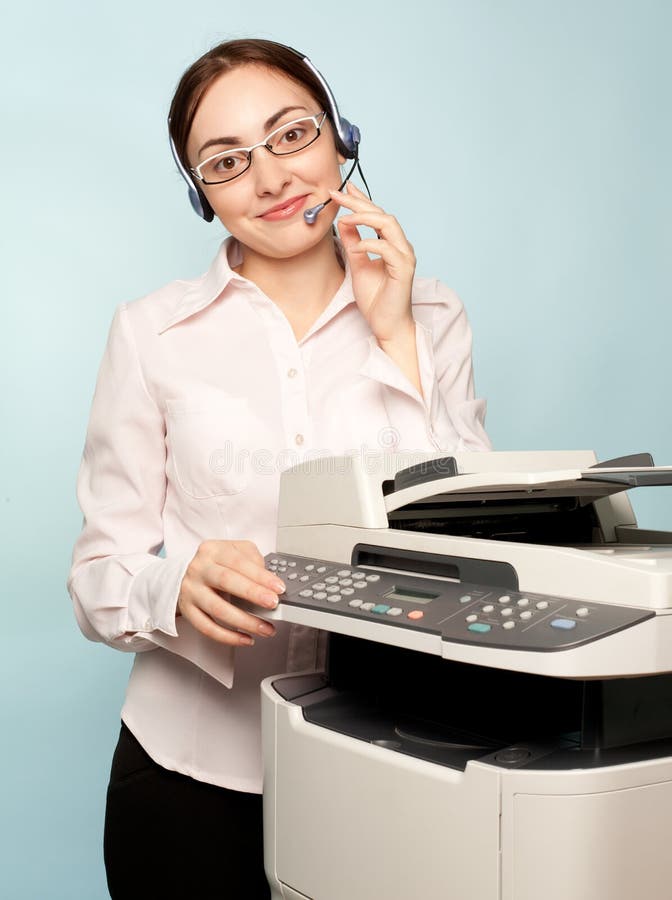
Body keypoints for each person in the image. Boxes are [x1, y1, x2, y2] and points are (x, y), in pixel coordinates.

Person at [67, 38, 492, 899]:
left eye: (291, 135)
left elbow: (469, 545)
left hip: (383, 767)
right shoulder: (150, 333)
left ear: (341, 136)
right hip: (187, 771)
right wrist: (175, 583)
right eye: (227, 161)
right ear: (202, 194)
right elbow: (96, 579)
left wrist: (394, 335)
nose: (269, 179)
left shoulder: (432, 316)